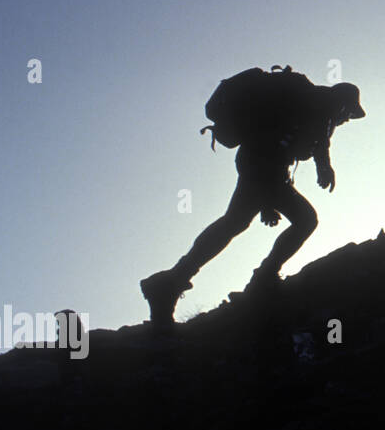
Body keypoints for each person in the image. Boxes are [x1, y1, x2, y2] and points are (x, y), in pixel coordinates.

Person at [141, 77, 365, 326]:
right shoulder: (321, 107)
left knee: (233, 223)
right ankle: (263, 278)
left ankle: (169, 284)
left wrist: (269, 201)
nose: (347, 120)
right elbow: (314, 143)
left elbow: (286, 144)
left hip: (258, 164)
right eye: (349, 113)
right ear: (342, 103)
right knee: (305, 220)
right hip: (263, 167)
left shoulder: (311, 104)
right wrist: (323, 168)